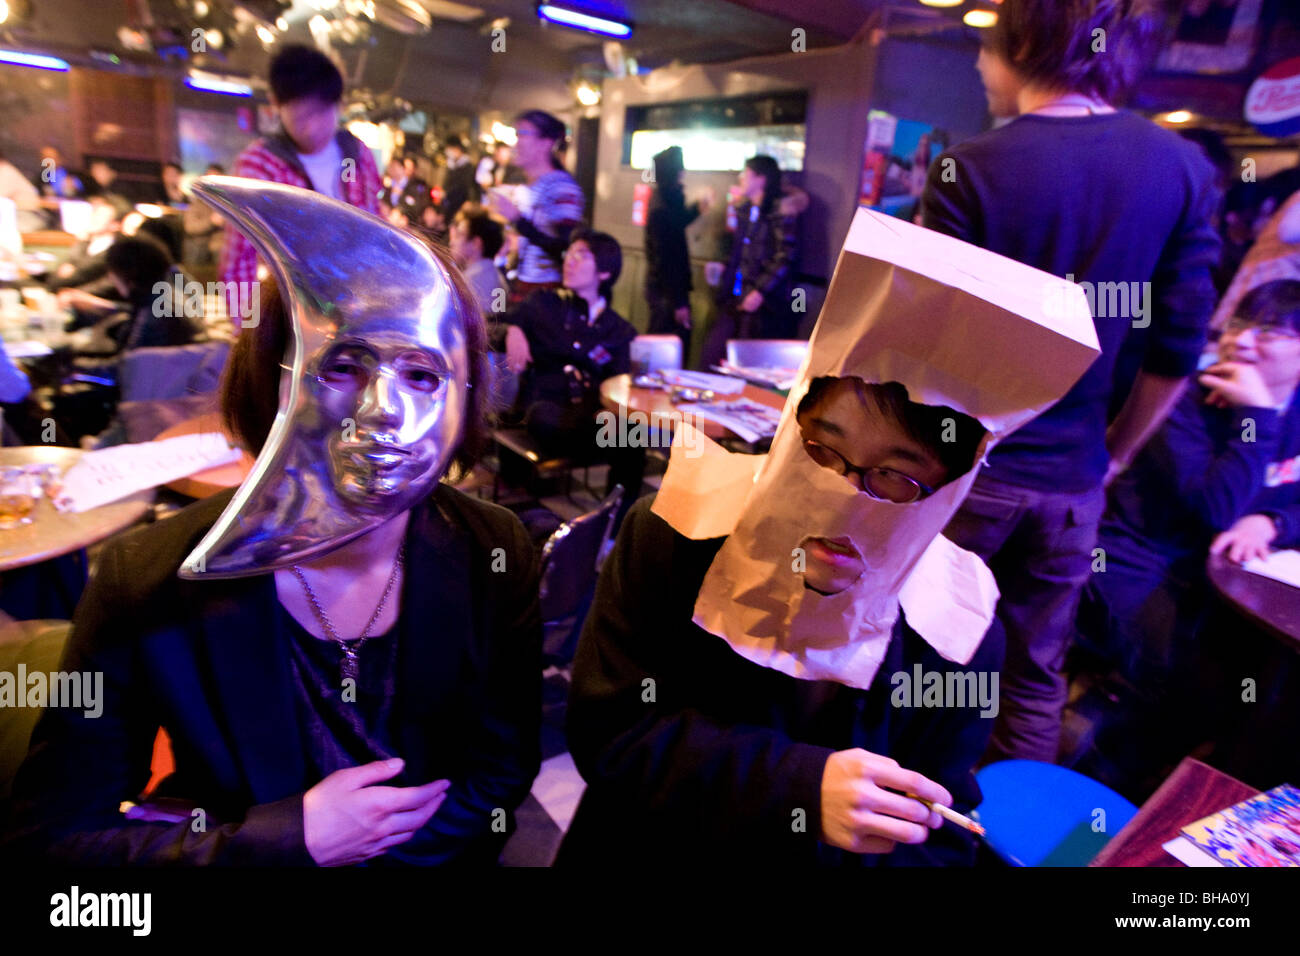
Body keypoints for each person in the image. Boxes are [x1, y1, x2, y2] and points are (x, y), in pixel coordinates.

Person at [3, 178, 540, 867]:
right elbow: (51, 841)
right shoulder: (148, 581)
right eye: (344, 365)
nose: (384, 411)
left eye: (422, 375)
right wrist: (289, 841)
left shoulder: (493, 553)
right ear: (275, 375)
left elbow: (498, 778)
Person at [557, 207, 1098, 867]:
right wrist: (801, 788)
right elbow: (609, 730)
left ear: (948, 492)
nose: (844, 497)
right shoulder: (672, 534)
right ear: (789, 429)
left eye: (895, 478)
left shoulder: (958, 633)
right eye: (822, 450)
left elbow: (944, 822)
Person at [922, 0, 1222, 763]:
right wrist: (1115, 451)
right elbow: (1177, 351)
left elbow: (923, 345)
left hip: (969, 475)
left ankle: (915, 821)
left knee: (928, 660)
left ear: (1024, 41)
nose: (980, 63)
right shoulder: (1182, 168)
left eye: (986, 45)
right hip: (1073, 484)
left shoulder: (972, 166)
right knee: (1034, 673)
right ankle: (1010, 837)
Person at [1075, 279, 1300, 792]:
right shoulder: (1189, 402)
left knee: (1262, 683)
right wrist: (1259, 415)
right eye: (1240, 324)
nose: (1241, 341)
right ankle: (1104, 788)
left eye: (1268, 331)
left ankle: (1205, 789)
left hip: (1213, 581)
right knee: (1183, 677)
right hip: (1129, 560)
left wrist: (1274, 521)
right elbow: (1215, 509)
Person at [219, 44, 382, 320]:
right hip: (292, 312)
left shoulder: (358, 152)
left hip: (356, 310)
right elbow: (239, 262)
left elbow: (374, 229)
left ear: (339, 104)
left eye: (321, 112)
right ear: (276, 106)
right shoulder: (259, 163)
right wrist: (247, 331)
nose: (313, 127)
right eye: (301, 116)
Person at [497, 229, 635, 463]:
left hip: (592, 416)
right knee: (544, 416)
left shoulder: (619, 329)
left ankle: (622, 498)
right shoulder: (544, 303)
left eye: (581, 255)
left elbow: (622, 381)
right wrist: (511, 330)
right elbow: (488, 325)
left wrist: (612, 412)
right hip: (546, 410)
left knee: (636, 430)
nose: (569, 260)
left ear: (604, 272)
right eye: (568, 253)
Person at [700, 154, 801, 370]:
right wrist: (723, 265)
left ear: (761, 179)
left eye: (746, 174)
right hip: (734, 297)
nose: (740, 179)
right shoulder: (745, 210)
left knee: (748, 367)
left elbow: (786, 256)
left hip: (763, 305)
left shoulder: (780, 211)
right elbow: (742, 251)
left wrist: (760, 291)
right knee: (712, 357)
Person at [485, 111, 585, 305]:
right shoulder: (530, 186)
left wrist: (517, 220)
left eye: (522, 134)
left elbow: (566, 250)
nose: (515, 143)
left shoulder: (561, 186)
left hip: (546, 296)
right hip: (521, 290)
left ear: (546, 143)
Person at [644, 145, 710, 366]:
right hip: (667, 292)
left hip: (663, 289)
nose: (684, 173)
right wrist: (679, 302)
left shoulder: (663, 200)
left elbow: (676, 224)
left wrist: (697, 210)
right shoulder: (663, 206)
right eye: (681, 168)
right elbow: (668, 259)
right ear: (676, 172)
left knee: (664, 344)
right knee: (668, 347)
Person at [449, 204, 508, 323]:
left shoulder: (469, 284)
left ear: (476, 243)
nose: (452, 242)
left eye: (459, 235)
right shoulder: (499, 279)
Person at [380, 152, 429, 224]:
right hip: (387, 220)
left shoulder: (414, 186)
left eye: (395, 167)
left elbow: (415, 208)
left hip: (405, 224)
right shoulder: (389, 184)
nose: (393, 170)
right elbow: (384, 201)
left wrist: (400, 212)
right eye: (391, 167)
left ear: (402, 168)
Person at [439, 136, 476, 224]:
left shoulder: (468, 167)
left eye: (449, 148)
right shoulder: (451, 165)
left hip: (460, 207)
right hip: (448, 206)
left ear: (457, 148)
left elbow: (464, 187)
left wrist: (447, 193)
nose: (447, 152)